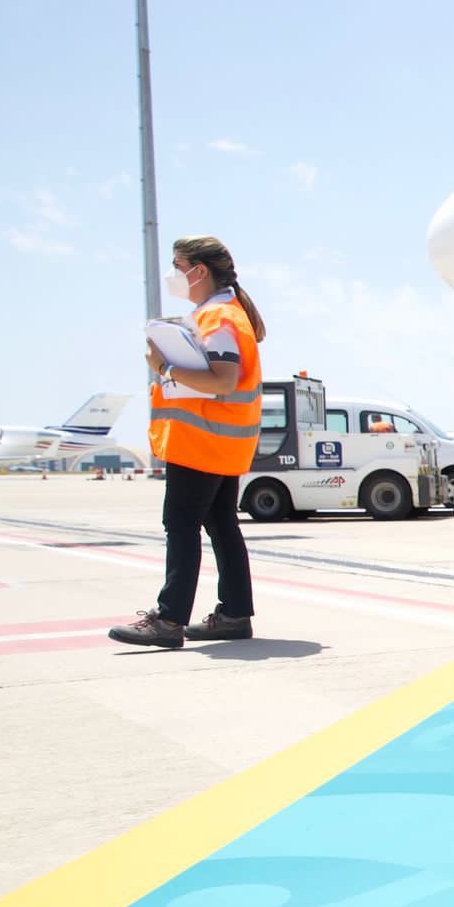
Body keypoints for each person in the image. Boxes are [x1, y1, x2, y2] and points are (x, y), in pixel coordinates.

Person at [110, 235, 269, 649]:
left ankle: (168, 620)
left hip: (202, 441)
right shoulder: (225, 313)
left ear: (199, 271)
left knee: (181, 526)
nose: (173, 274)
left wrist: (164, 367)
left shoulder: (217, 317)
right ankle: (234, 615)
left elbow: (222, 379)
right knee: (221, 525)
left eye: (178, 265)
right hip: (220, 441)